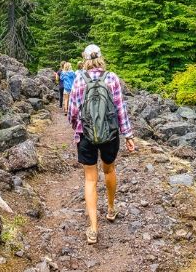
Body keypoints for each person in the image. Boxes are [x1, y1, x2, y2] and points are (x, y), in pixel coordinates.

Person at [67, 44, 135, 244]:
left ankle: (94, 228)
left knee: (90, 179)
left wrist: (77, 129)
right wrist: (128, 135)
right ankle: (111, 208)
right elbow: (120, 108)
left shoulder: (79, 79)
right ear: (100, 59)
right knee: (109, 169)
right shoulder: (112, 78)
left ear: (85, 60)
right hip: (110, 135)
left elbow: (72, 112)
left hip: (86, 135)